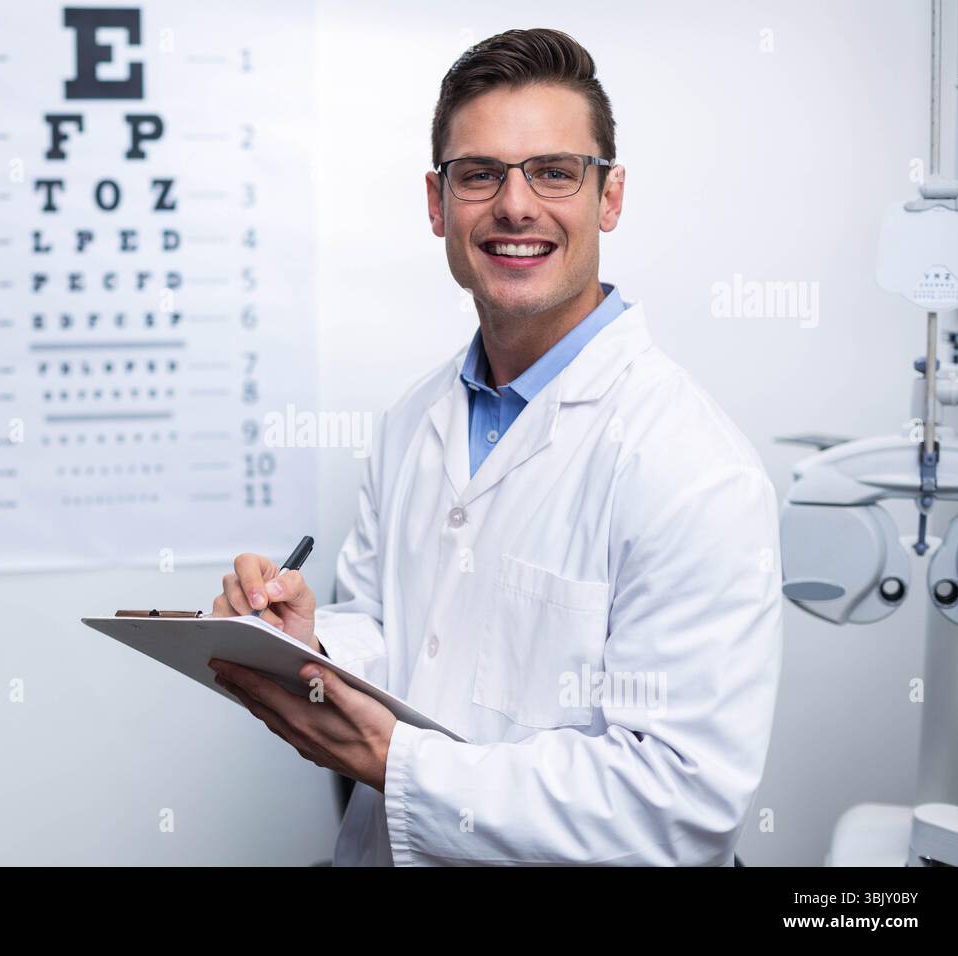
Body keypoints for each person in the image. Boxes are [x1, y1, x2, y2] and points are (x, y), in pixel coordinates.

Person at [208, 27, 782, 866]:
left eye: (554, 171)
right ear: (438, 205)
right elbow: (400, 628)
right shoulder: (414, 419)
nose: (515, 206)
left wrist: (395, 763)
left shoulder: (694, 468)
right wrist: (316, 643)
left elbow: (678, 805)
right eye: (479, 175)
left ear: (609, 198)